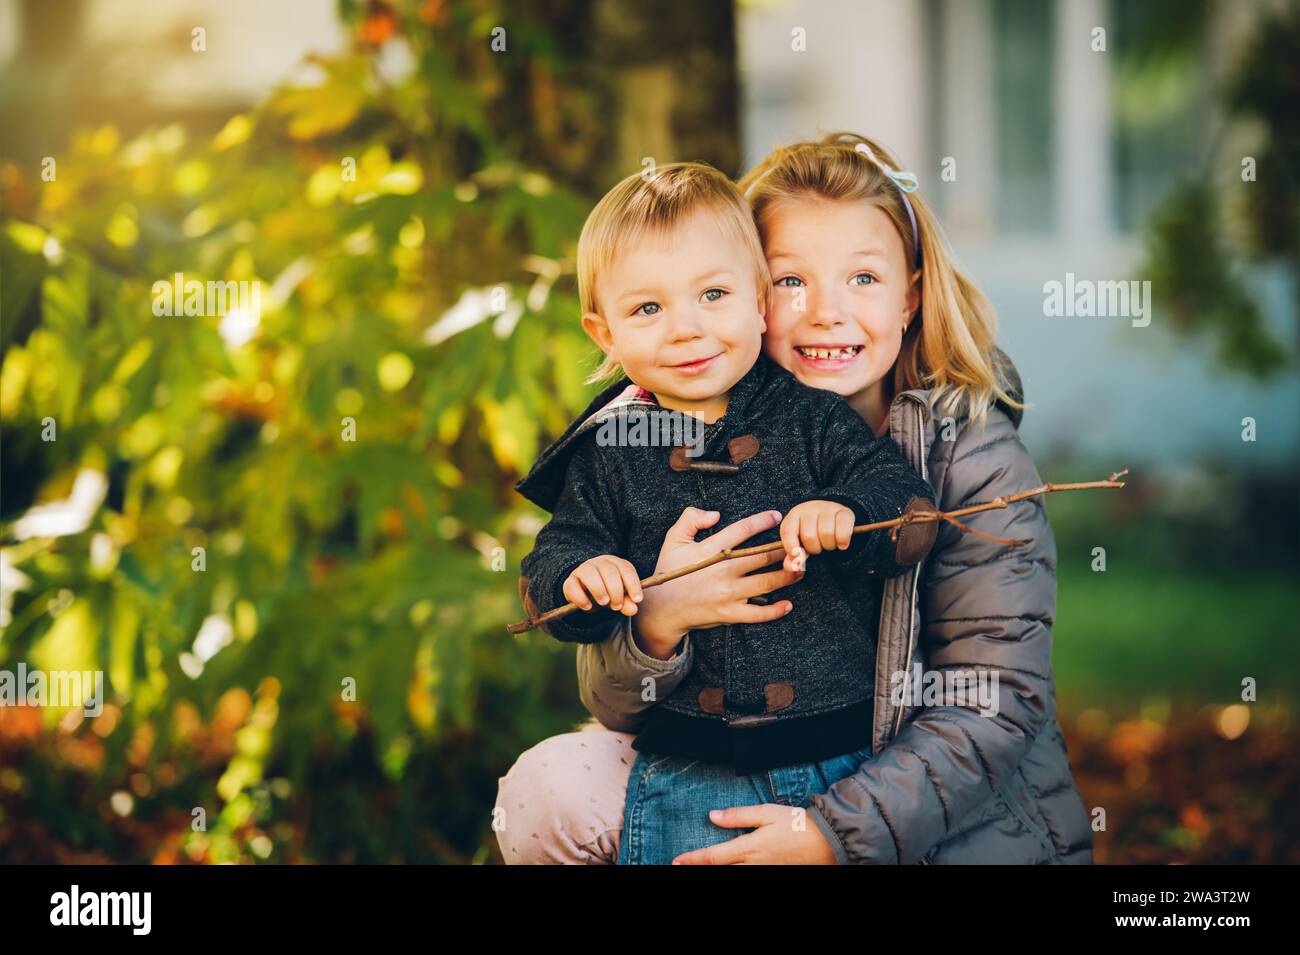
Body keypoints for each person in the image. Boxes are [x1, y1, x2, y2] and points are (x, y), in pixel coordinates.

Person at [497, 133, 1092, 864]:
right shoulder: (658, 437)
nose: (824, 313)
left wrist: (830, 835)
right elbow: (614, 705)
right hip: (734, 763)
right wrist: (660, 616)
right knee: (553, 782)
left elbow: (994, 698)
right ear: (754, 292)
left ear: (910, 298)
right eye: (791, 281)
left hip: (941, 819)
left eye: (862, 279)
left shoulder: (971, 454)